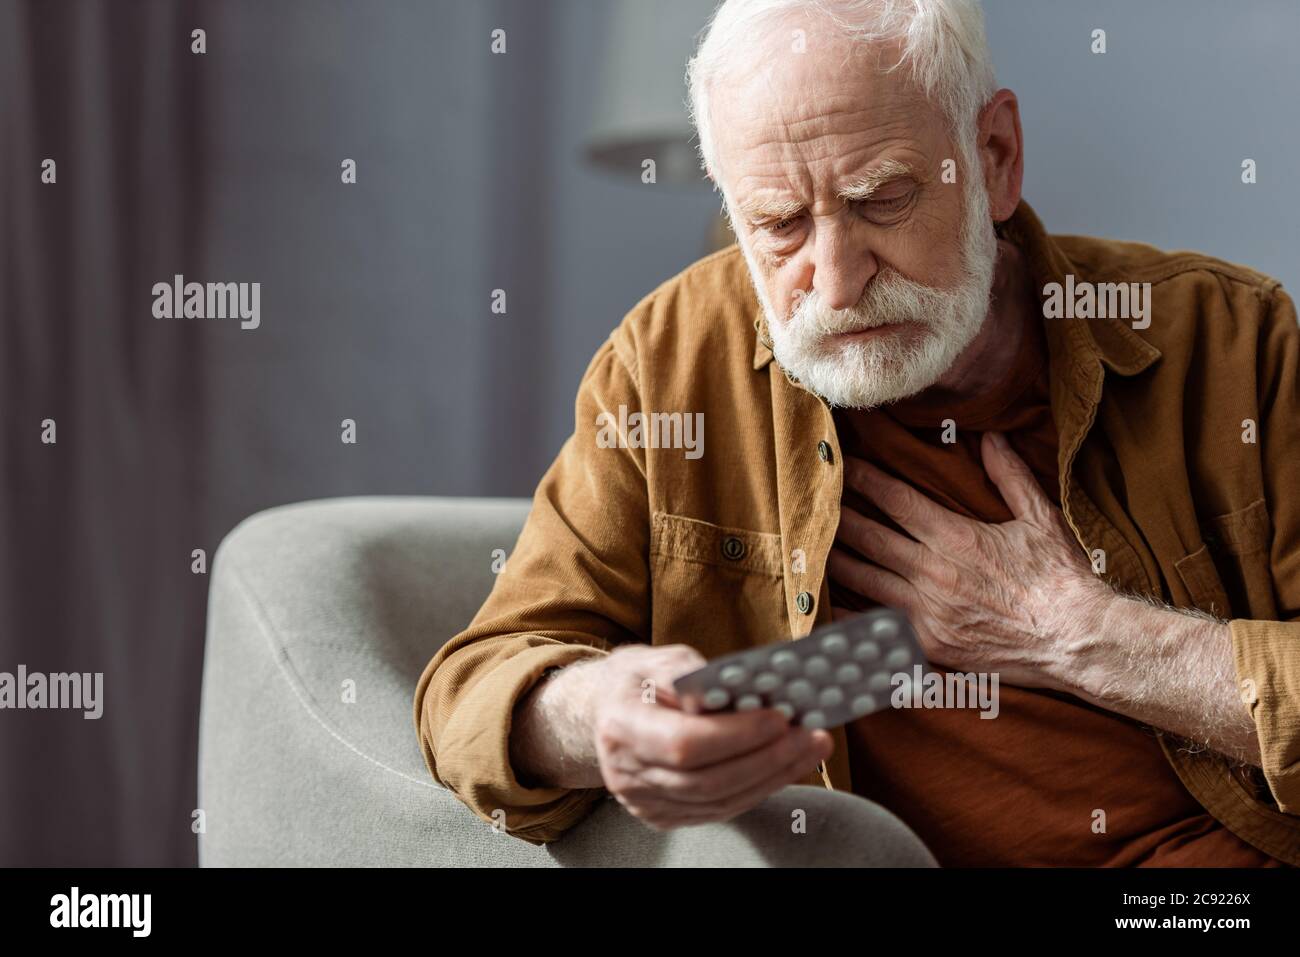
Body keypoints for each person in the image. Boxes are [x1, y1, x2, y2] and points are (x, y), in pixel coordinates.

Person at [414, 0, 1300, 866]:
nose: (836, 285)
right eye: (778, 223)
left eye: (881, 200)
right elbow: (474, 690)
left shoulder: (1231, 340)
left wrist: (1081, 634)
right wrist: (599, 715)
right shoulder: (666, 366)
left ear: (994, 156)